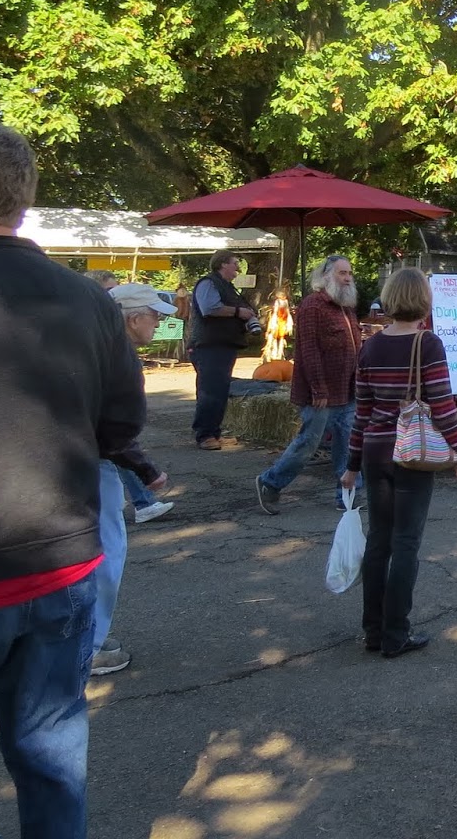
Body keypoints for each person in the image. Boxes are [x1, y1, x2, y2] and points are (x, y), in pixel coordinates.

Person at [0, 121, 166, 833]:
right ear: (25, 198)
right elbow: (121, 428)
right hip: (64, 564)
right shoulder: (88, 299)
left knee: (52, 753)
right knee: (51, 757)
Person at [340, 268, 457, 658]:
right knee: (406, 542)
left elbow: (361, 413)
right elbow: (442, 405)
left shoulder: (370, 347)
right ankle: (396, 633)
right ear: (424, 301)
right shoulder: (428, 344)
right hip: (411, 453)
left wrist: (351, 464)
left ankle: (373, 630)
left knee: (378, 541)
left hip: (374, 451)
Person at [94, 284, 179, 675]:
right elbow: (113, 429)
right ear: (132, 319)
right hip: (94, 463)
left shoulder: (96, 347)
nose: (158, 322)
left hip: (76, 461)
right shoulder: (117, 357)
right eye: (154, 315)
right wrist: (147, 471)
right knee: (105, 553)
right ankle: (90, 646)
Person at [256, 256, 363, 514]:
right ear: (325, 276)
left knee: (348, 442)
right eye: (342, 273)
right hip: (321, 393)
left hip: (347, 389)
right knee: (308, 443)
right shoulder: (313, 306)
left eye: (349, 273)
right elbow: (309, 351)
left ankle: (347, 495)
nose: (347, 278)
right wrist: (318, 388)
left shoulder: (346, 307)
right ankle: (270, 482)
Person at [188, 249, 258, 450]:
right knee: (211, 391)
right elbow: (209, 308)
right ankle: (205, 435)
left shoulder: (227, 287)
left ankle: (214, 433)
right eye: (235, 263)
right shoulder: (208, 283)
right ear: (223, 264)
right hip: (209, 346)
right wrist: (238, 312)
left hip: (223, 345)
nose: (238, 268)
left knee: (219, 390)